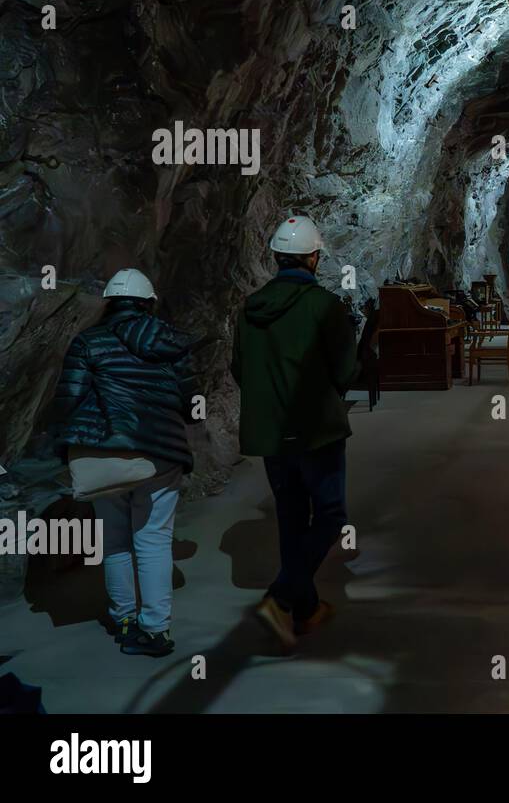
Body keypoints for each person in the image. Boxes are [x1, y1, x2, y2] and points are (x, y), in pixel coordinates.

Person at [50, 268, 201, 657]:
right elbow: (192, 401)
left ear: (109, 303)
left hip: (106, 454)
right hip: (161, 454)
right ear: (149, 303)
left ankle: (124, 620)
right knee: (152, 540)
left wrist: (63, 447)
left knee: (115, 539)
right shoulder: (169, 342)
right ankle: (154, 631)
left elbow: (69, 398)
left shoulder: (88, 342)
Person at [231, 216, 359, 652]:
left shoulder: (249, 308)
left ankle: (303, 611)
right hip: (316, 431)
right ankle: (281, 597)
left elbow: (238, 370)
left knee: (291, 517)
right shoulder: (324, 306)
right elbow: (346, 370)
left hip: (271, 434)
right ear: (313, 257)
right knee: (329, 515)